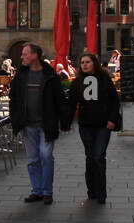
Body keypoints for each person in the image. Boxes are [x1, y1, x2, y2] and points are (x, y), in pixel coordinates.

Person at [9, 43, 67, 205]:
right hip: (28, 123)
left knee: (46, 155)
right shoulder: (21, 75)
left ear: (35, 55)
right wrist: (15, 119)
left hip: (46, 123)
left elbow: (59, 99)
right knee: (33, 159)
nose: (22, 57)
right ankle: (37, 190)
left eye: (25, 54)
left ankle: (47, 191)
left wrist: (65, 121)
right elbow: (14, 97)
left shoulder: (50, 75)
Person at [63, 52, 122, 203]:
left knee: (98, 157)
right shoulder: (77, 82)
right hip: (86, 125)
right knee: (90, 158)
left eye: (87, 62)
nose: (84, 65)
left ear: (94, 63)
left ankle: (101, 193)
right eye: (82, 62)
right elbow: (71, 104)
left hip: (103, 124)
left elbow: (115, 101)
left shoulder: (104, 79)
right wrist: (66, 123)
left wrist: (112, 120)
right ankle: (92, 190)